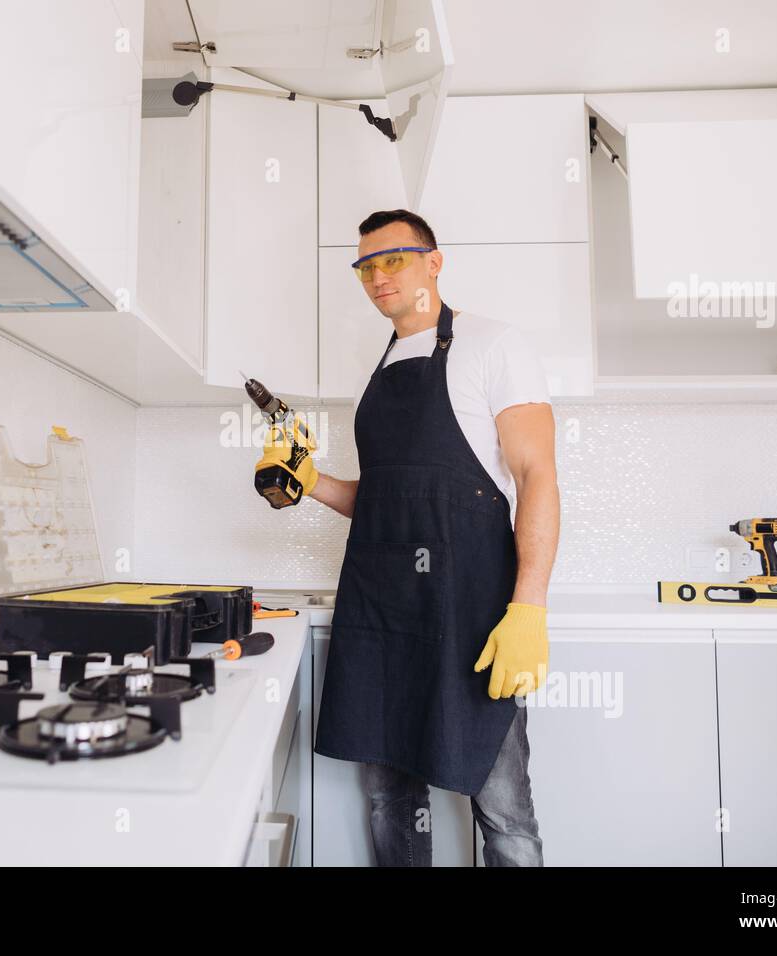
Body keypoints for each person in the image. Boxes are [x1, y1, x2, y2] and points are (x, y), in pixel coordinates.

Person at [260, 209, 560, 866]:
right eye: (365, 266)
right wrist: (311, 482)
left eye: (393, 258)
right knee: (388, 798)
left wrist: (529, 606)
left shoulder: (494, 344)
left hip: (471, 613)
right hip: (382, 617)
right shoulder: (378, 368)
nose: (378, 276)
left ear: (434, 262)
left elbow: (537, 474)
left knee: (504, 810)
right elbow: (384, 503)